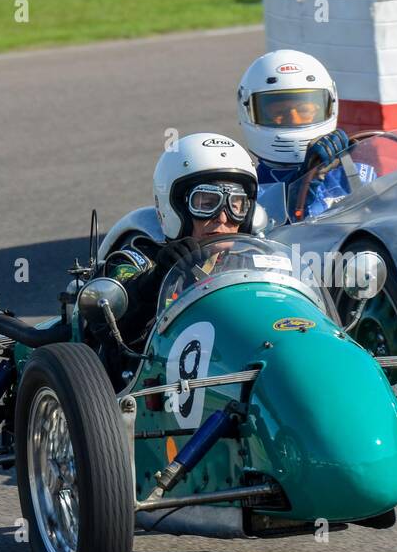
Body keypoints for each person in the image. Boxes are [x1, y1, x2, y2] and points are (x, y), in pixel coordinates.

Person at [90, 133, 258, 379]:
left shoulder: (254, 263)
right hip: (151, 386)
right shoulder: (138, 258)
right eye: (206, 202)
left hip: (233, 372)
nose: (223, 217)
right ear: (175, 207)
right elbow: (108, 324)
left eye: (236, 204)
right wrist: (156, 279)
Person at [236, 49, 374, 219]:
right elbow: (274, 230)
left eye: (304, 110)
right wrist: (304, 181)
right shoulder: (250, 189)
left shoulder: (356, 173)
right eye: (279, 112)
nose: (294, 119)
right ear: (247, 112)